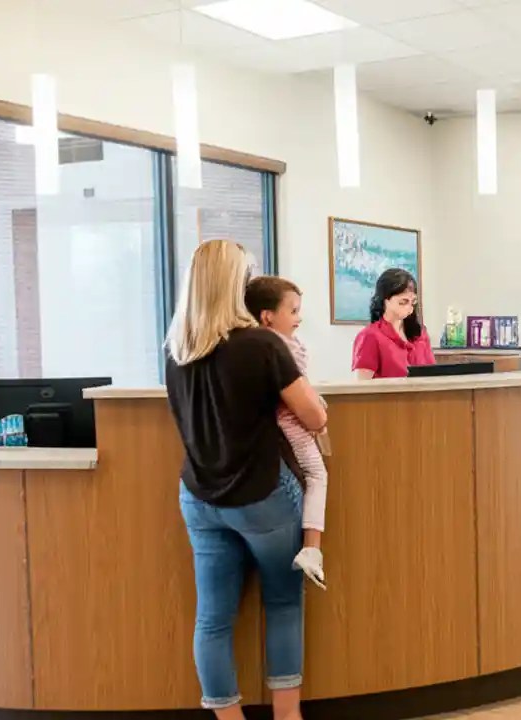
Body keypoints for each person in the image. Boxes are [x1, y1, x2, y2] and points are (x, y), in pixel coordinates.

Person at [165, 239, 327, 720]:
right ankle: (287, 717)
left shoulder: (176, 349)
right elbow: (314, 417)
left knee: (212, 619)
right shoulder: (261, 344)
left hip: (198, 497)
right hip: (261, 497)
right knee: (282, 602)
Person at [244, 276, 329, 591]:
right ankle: (312, 547)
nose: (299, 318)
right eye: (293, 311)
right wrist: (316, 412)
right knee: (317, 474)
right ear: (268, 316)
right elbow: (303, 398)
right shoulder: (280, 348)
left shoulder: (251, 345)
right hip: (291, 420)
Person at [351, 268, 435, 380]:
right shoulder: (370, 336)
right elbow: (363, 387)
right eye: (403, 302)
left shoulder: (420, 333)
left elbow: (433, 375)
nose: (409, 307)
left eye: (413, 302)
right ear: (385, 300)